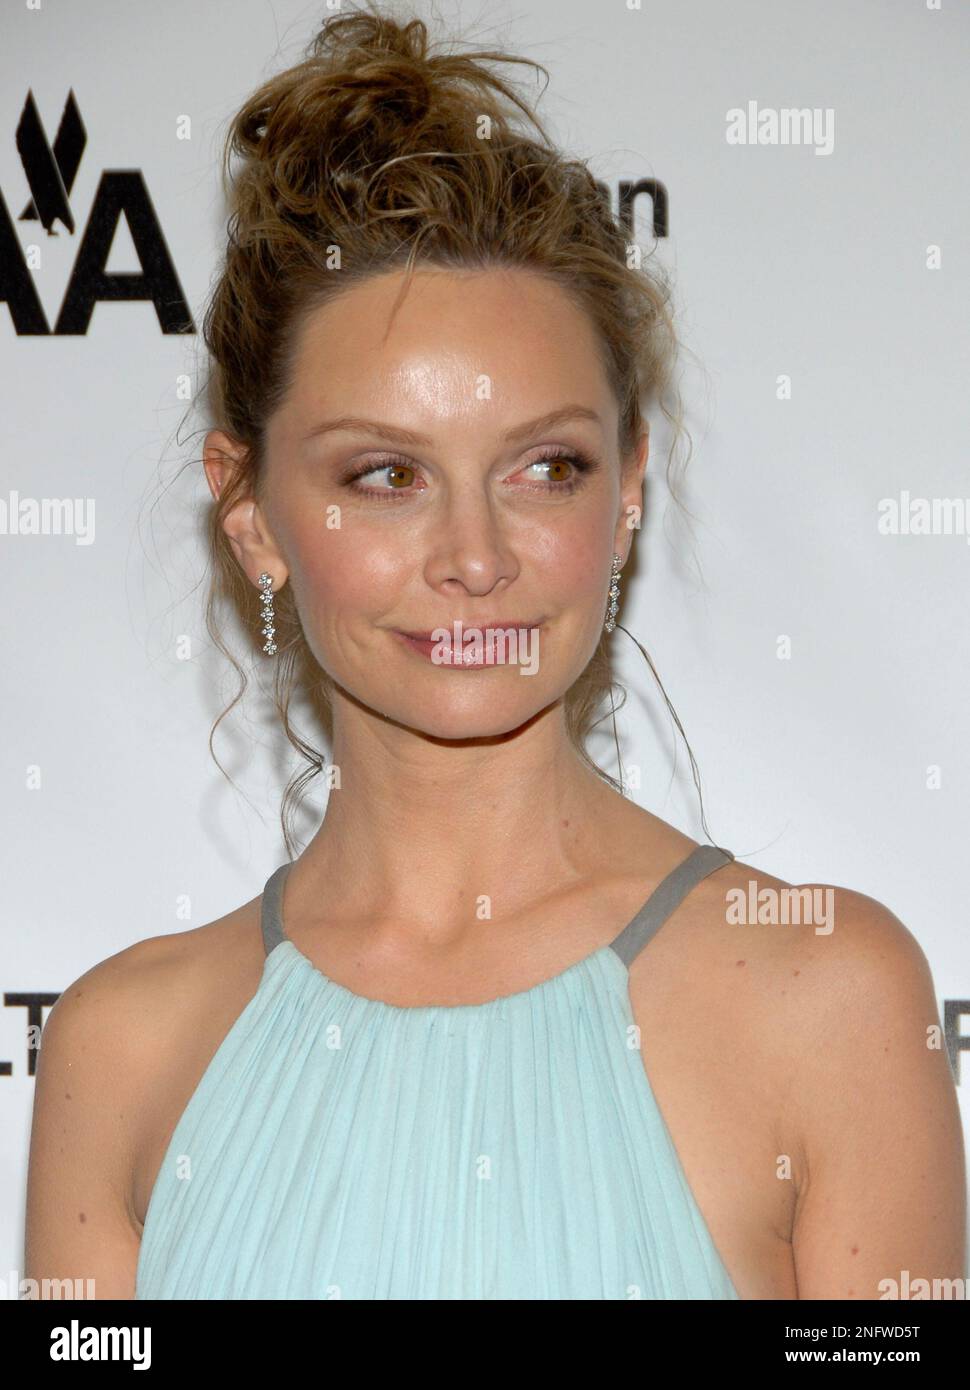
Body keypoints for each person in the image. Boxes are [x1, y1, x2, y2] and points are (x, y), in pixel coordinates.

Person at [23, 5, 966, 1300]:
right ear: (252, 518)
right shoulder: (117, 1047)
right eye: (385, 472)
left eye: (545, 466)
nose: (475, 553)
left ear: (626, 488)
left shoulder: (825, 992)